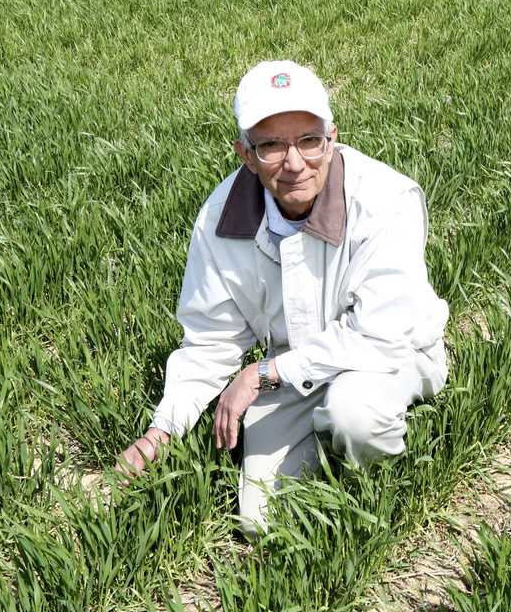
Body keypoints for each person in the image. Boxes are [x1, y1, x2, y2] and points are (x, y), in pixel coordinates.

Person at [115, 60, 449, 539]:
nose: (295, 163)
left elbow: (380, 334)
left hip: (393, 354)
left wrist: (263, 373)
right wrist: (161, 431)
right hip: (297, 370)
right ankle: (321, 434)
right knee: (260, 521)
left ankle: (373, 483)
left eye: (309, 141)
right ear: (246, 154)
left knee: (356, 415)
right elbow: (210, 340)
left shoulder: (385, 200)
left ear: (332, 138)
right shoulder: (219, 219)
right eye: (272, 146)